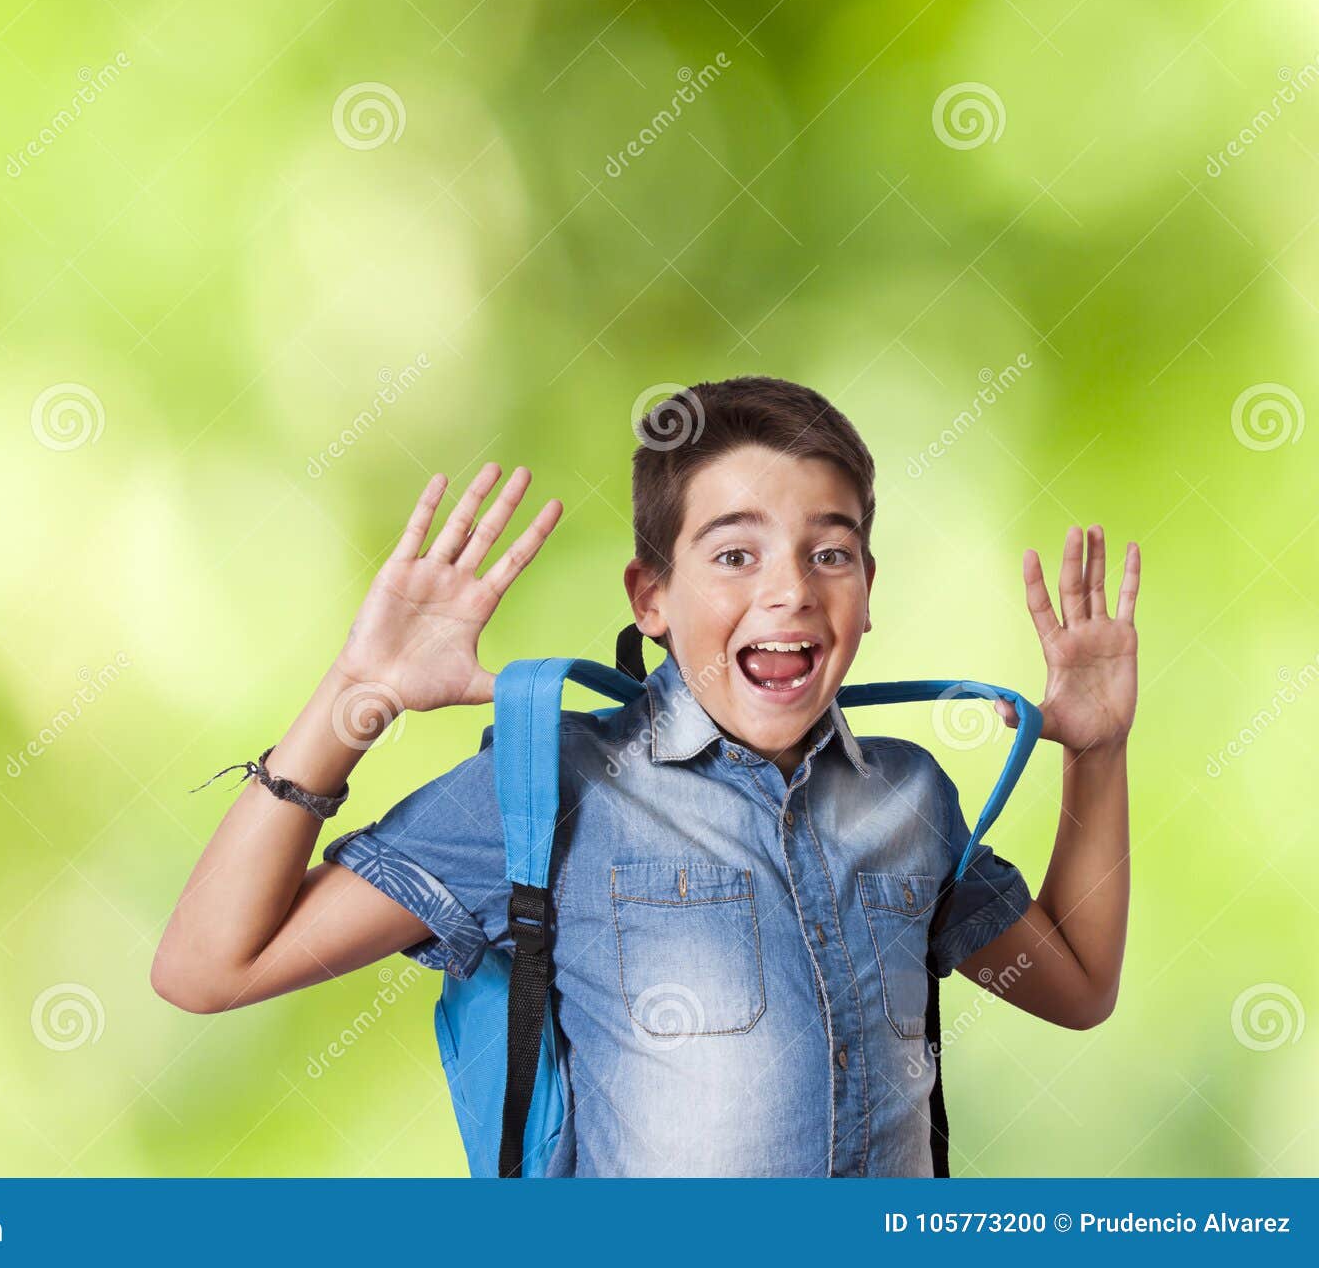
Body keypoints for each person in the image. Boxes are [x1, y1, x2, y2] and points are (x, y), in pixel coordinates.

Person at [151, 376, 1139, 1176]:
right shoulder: (555, 784)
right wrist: (354, 696)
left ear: (867, 592)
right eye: (735, 552)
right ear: (652, 596)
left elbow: (1078, 986)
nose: (789, 586)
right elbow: (207, 969)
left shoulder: (908, 797)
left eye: (829, 550)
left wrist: (1093, 752)